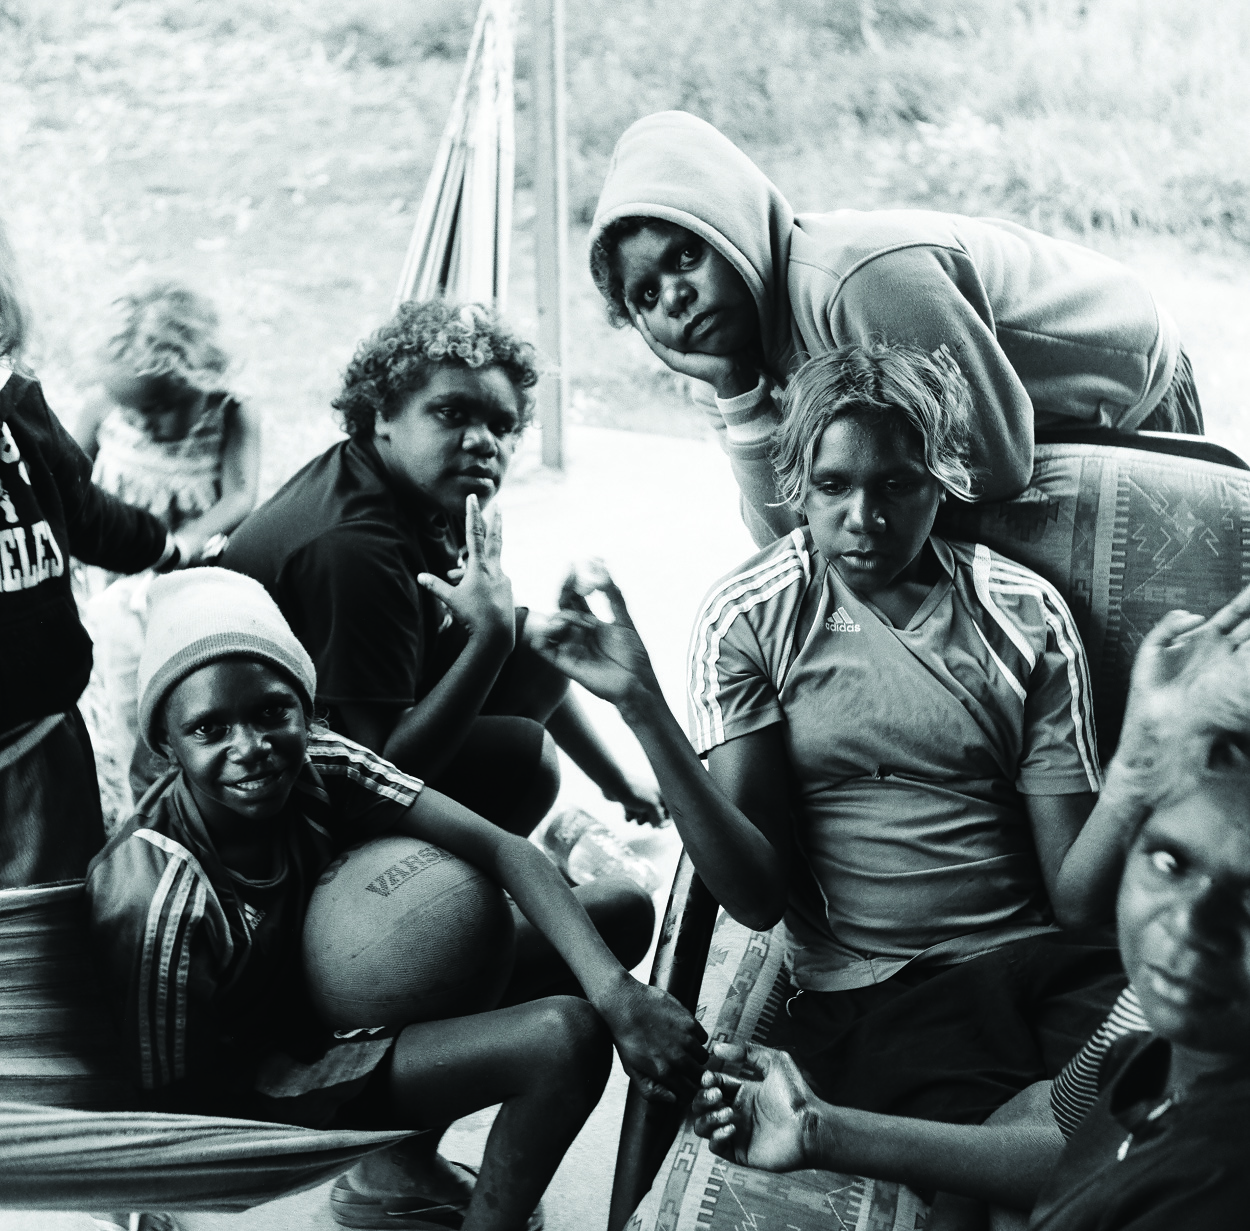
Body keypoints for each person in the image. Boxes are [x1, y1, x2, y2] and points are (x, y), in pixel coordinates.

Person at [531, 342, 1128, 1138]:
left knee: (1160, 1106)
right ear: (797, 488)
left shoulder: (1024, 614)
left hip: (1043, 967)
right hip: (884, 994)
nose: (865, 519)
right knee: (1023, 1148)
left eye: (897, 485)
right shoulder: (755, 617)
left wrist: (1150, 752)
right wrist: (641, 703)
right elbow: (752, 893)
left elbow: (1074, 897)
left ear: (941, 478)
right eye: (833, 486)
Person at [85, 569, 708, 1231]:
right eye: (210, 729)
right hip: (274, 1083)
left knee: (617, 911)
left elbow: (504, 848)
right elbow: (165, 1105)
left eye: (271, 711)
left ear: (305, 706)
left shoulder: (320, 762)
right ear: (167, 745)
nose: (251, 748)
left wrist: (620, 993)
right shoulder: (156, 890)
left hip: (340, 1004)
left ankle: (396, 1170)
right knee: (564, 1039)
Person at [692, 602, 1250, 1230]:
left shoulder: (1212, 1182)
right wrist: (818, 1130)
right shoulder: (1148, 1048)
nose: (1190, 924)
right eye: (1171, 862)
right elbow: (1053, 1129)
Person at [588, 111, 1203, 546]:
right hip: (1020, 435)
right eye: (645, 295)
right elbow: (787, 544)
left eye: (686, 256)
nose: (675, 296)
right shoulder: (725, 366)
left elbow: (993, 464)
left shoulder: (858, 283)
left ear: (735, 222)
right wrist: (738, 393)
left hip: (1128, 386)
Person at [223, 298, 664, 838]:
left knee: (545, 639)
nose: (483, 442)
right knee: (524, 758)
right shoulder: (355, 547)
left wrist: (615, 781)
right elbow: (379, 768)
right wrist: (492, 639)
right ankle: (433, 890)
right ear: (383, 413)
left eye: (502, 427)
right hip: (276, 793)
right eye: (452, 413)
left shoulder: (434, 491)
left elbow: (523, 644)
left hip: (351, 730)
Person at [0, 218, 180, 888]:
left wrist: (163, 542)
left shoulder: (15, 403)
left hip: (39, 744)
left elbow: (85, 512)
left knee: (57, 922)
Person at [72, 283, 261, 820]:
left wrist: (181, 545)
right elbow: (67, 480)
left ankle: (196, 784)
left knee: (187, 680)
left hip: (188, 576)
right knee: (124, 676)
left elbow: (240, 495)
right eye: (134, 411)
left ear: (203, 377)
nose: (145, 424)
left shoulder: (232, 414)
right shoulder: (107, 406)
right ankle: (143, 803)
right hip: (116, 576)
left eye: (159, 408)